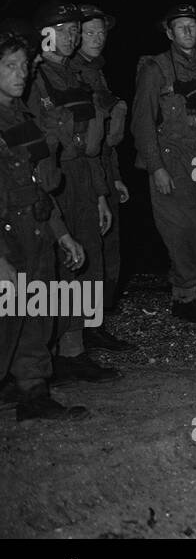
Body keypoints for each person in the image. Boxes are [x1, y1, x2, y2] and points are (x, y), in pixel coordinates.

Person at [0, 30, 90, 420]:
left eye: (24, 66)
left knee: (36, 313)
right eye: (9, 66)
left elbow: (37, 184)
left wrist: (63, 233)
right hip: (6, 237)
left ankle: (34, 393)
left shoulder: (23, 117)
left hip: (34, 229)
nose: (20, 74)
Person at [27, 0, 118, 384]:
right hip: (50, 178)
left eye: (75, 30)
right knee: (56, 266)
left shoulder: (77, 77)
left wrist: (100, 194)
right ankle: (46, 355)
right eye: (64, 30)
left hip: (82, 175)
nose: (72, 37)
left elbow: (91, 143)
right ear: (46, 34)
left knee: (86, 263)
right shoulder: (33, 80)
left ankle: (74, 350)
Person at [130, 4, 196, 322]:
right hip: (172, 158)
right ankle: (185, 298)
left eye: (193, 26)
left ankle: (185, 290)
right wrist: (156, 166)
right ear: (169, 32)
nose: (187, 31)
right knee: (182, 228)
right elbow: (142, 122)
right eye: (180, 27)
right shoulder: (155, 68)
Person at [70, 3, 135, 352]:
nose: (96, 39)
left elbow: (107, 138)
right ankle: (79, 332)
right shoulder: (72, 73)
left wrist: (117, 178)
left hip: (104, 169)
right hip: (83, 172)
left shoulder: (97, 71)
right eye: (89, 32)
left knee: (109, 251)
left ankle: (93, 325)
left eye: (101, 32)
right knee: (90, 252)